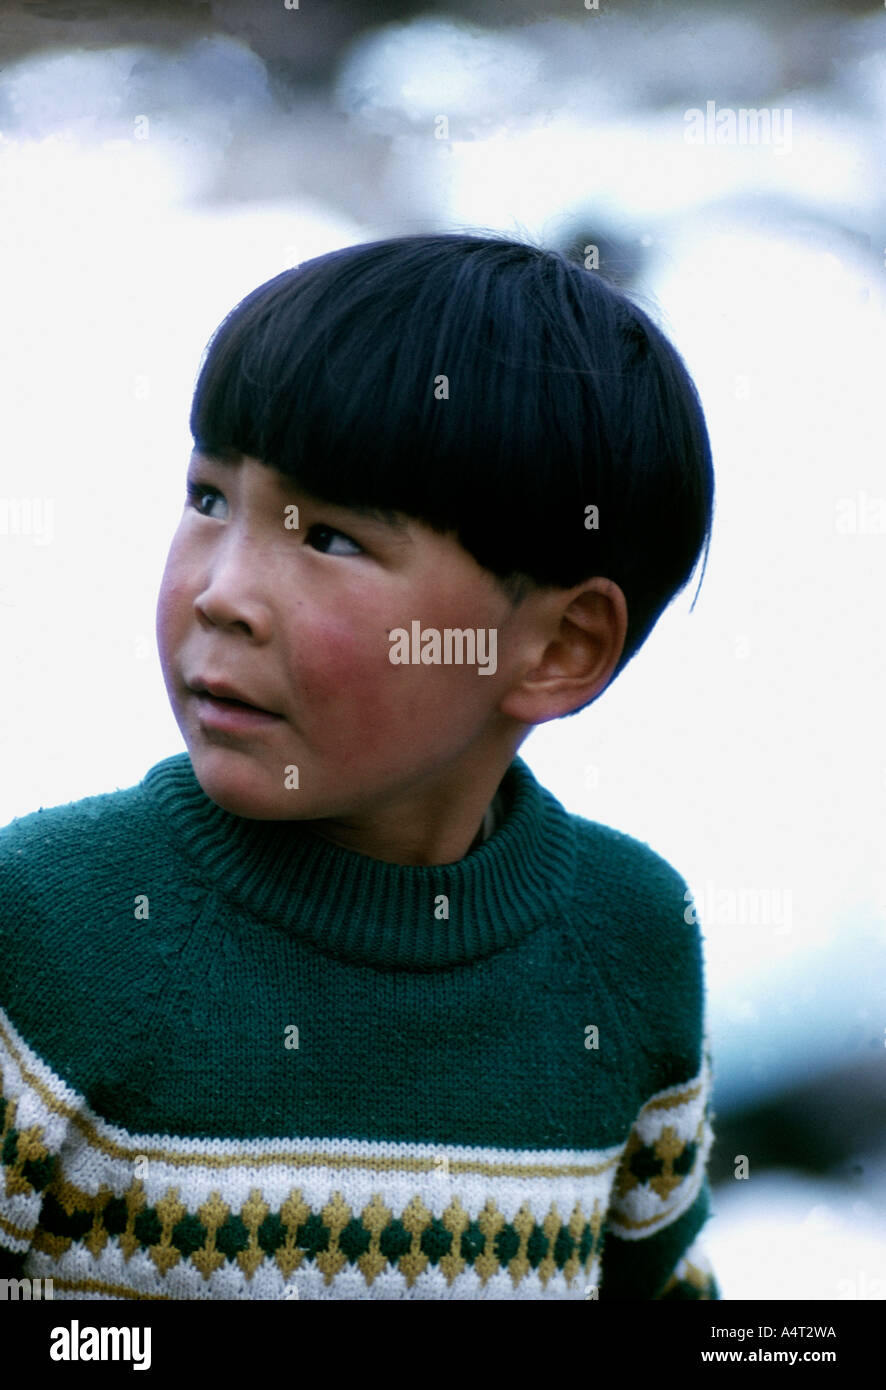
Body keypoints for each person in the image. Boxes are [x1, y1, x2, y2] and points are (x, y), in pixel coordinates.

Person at [0, 231, 719, 1299]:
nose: (222, 591)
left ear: (558, 647)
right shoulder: (54, 928)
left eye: (327, 537)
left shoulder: (626, 947)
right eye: (208, 498)